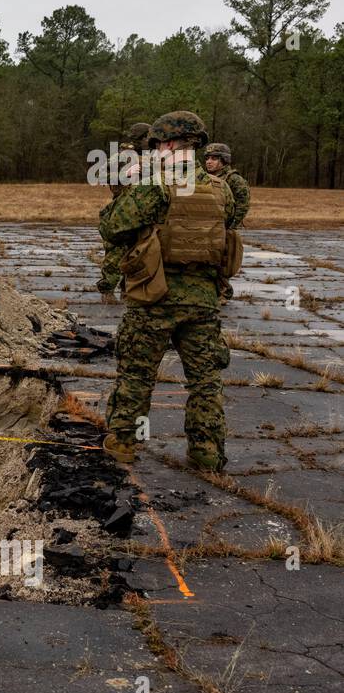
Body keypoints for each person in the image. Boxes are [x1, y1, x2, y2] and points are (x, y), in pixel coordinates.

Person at [101, 111, 238, 472]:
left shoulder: (156, 184)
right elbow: (230, 224)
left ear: (171, 144)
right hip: (203, 302)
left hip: (154, 298)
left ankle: (123, 444)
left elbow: (114, 227)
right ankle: (206, 454)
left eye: (158, 145)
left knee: (136, 376)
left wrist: (124, 190)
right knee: (206, 382)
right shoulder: (220, 187)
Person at [97, 122, 153, 300]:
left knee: (138, 252)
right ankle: (107, 290)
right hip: (122, 209)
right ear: (140, 138)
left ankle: (127, 289)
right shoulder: (121, 157)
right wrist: (126, 174)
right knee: (116, 252)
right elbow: (100, 176)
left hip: (143, 211)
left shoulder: (151, 157)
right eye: (147, 138)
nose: (150, 141)